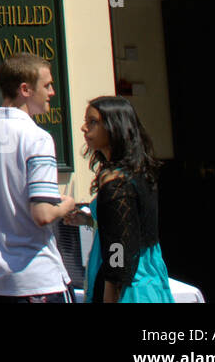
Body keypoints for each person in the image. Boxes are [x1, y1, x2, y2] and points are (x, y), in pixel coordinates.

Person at [0, 52, 75, 302]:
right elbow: (42, 214)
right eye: (47, 85)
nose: (52, 92)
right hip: (35, 281)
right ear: (25, 89)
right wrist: (67, 204)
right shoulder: (38, 138)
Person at [66, 96, 174, 303]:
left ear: (114, 127)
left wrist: (110, 293)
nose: (83, 128)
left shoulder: (116, 183)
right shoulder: (137, 171)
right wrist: (88, 220)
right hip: (149, 279)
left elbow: (118, 248)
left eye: (93, 122)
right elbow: (129, 225)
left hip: (128, 287)